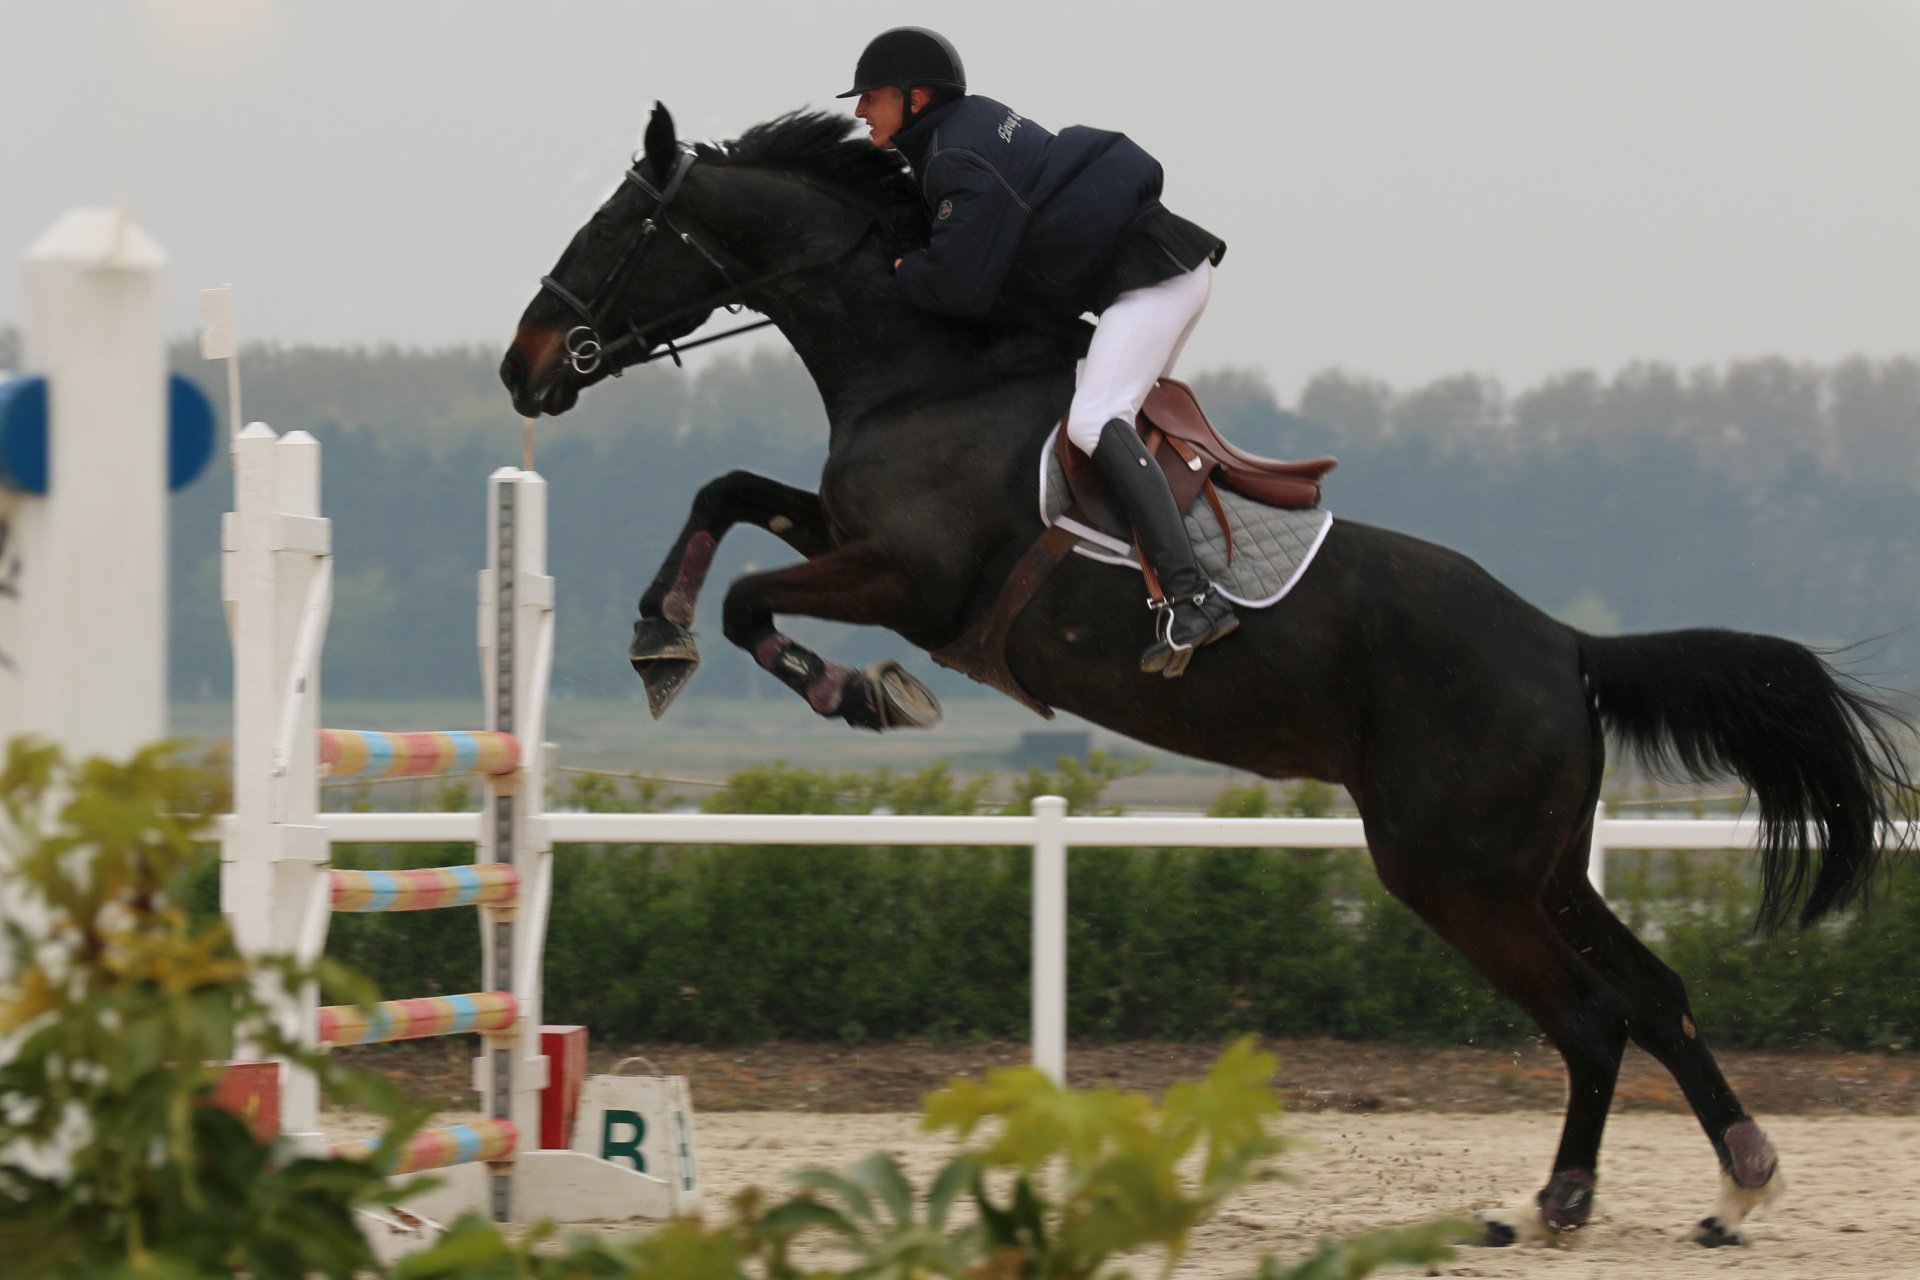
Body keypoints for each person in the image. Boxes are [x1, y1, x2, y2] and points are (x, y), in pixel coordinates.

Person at [839, 26, 1237, 678]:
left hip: (1154, 282)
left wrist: (903, 267)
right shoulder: (962, 127)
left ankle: (1195, 599)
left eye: (872, 97)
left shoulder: (952, 158)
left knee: (1092, 420)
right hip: (1154, 273)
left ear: (916, 98)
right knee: (1093, 413)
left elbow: (961, 287)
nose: (860, 111)